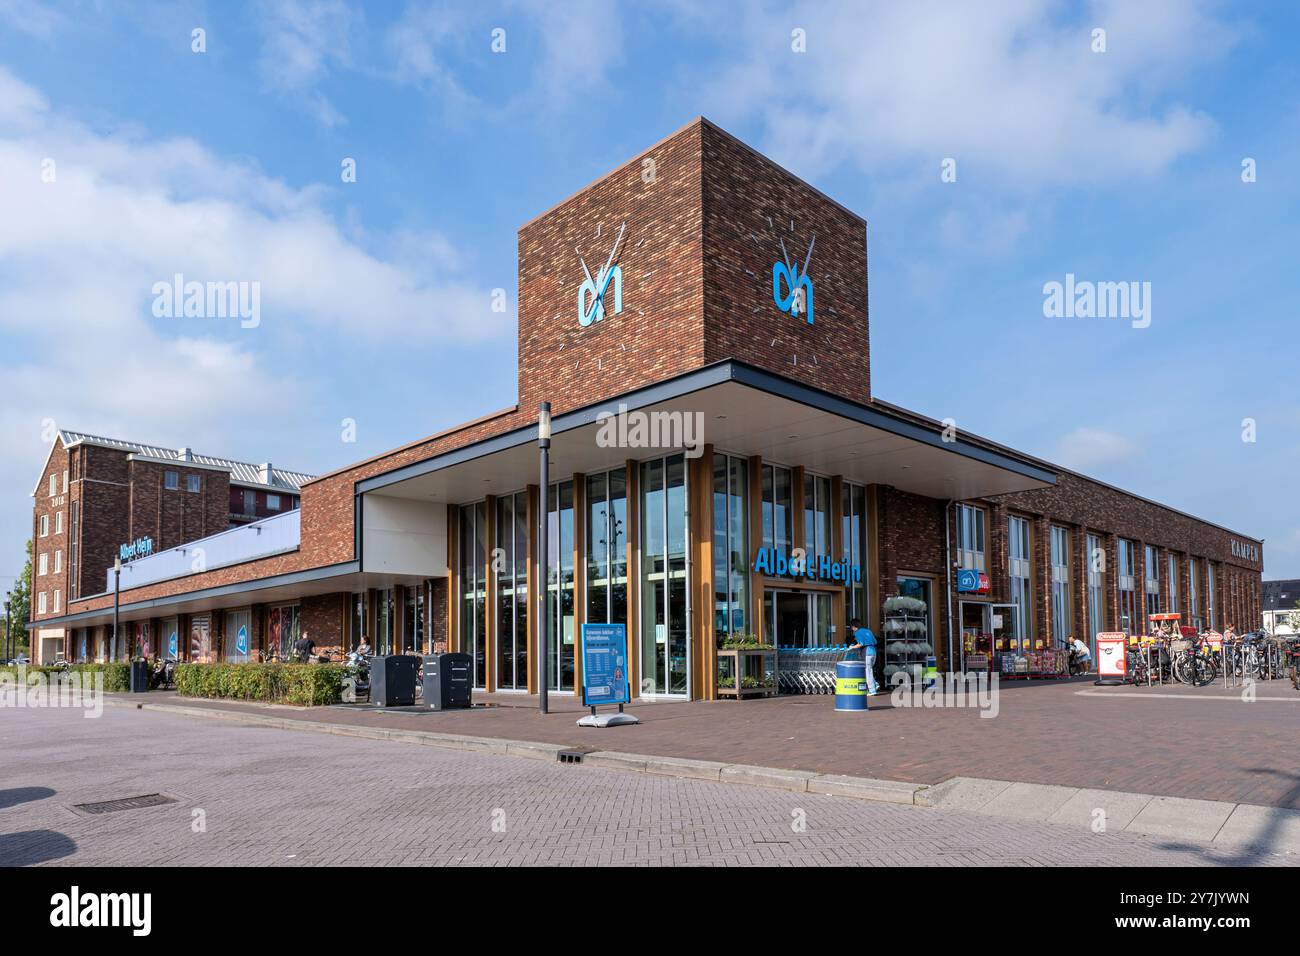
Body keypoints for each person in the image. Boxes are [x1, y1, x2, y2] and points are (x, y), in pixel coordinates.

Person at [847, 618, 880, 695]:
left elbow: (861, 643)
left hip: (867, 652)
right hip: (873, 651)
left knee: (868, 671)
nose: (852, 629)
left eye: (851, 627)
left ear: (854, 626)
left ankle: (872, 690)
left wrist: (852, 647)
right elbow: (875, 641)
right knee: (869, 670)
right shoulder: (868, 631)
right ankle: (875, 684)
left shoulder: (857, 633)